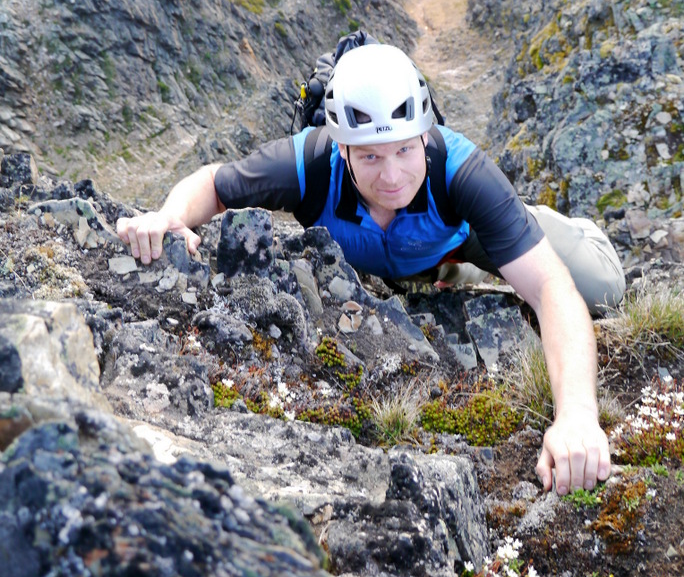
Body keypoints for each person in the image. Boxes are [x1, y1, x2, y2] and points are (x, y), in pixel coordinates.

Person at [117, 43, 625, 496]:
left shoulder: (461, 170)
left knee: (600, 288)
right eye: (371, 156)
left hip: (461, 240)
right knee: (429, 276)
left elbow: (551, 288)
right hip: (413, 263)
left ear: (425, 137)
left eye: (405, 149)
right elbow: (214, 184)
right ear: (341, 148)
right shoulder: (310, 164)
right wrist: (170, 217)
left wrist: (577, 414)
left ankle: (538, 227)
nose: (392, 175)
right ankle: (444, 278)